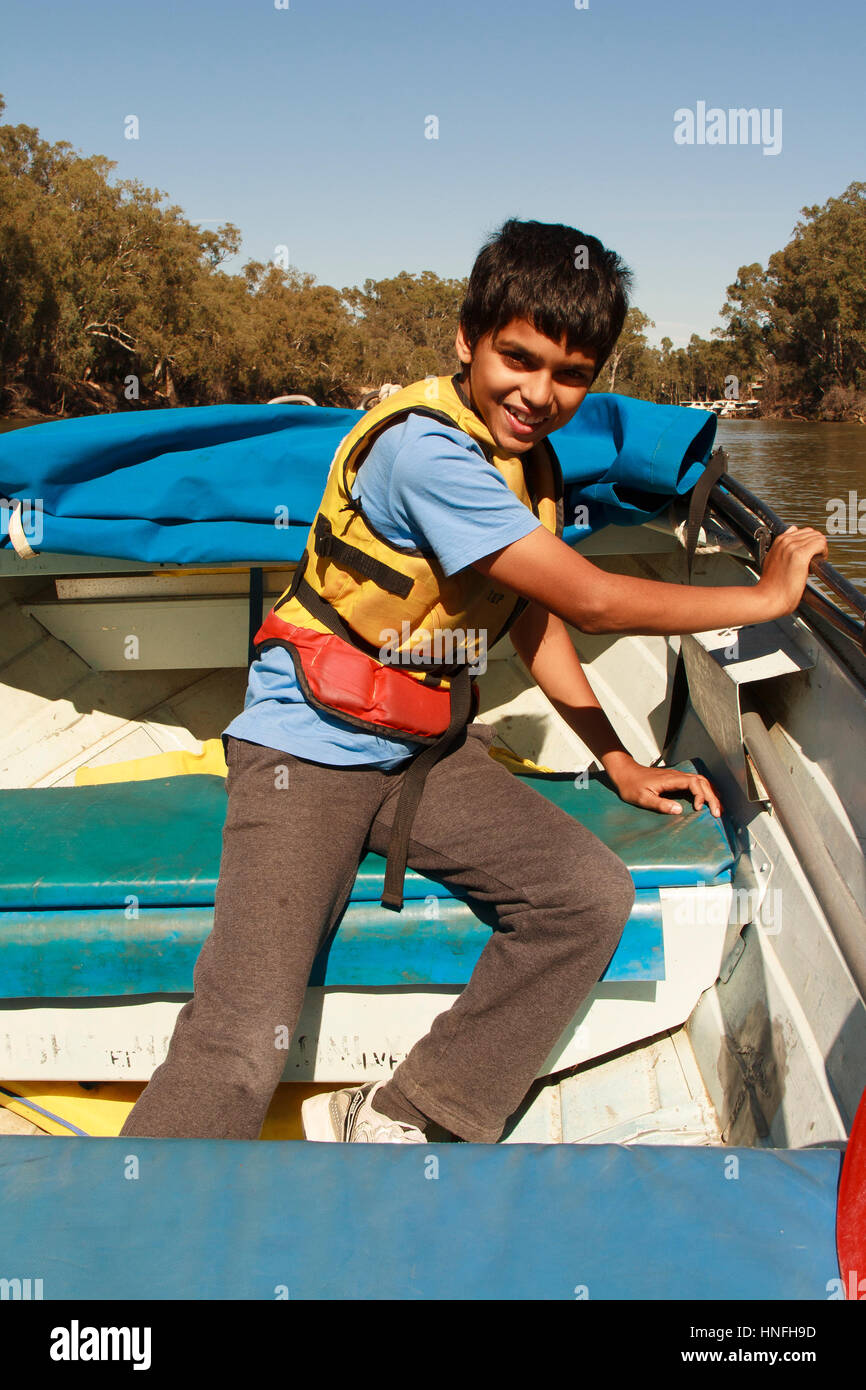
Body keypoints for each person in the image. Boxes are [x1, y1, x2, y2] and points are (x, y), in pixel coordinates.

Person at [120, 219, 827, 1146]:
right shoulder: (425, 452)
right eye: (518, 359)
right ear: (467, 341)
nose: (538, 395)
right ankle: (134, 1245)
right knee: (242, 1038)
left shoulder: (525, 461)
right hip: (308, 750)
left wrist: (615, 758)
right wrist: (763, 597)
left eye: (569, 375)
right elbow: (593, 600)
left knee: (585, 895)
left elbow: (533, 617)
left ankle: (409, 1111)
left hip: (425, 750)